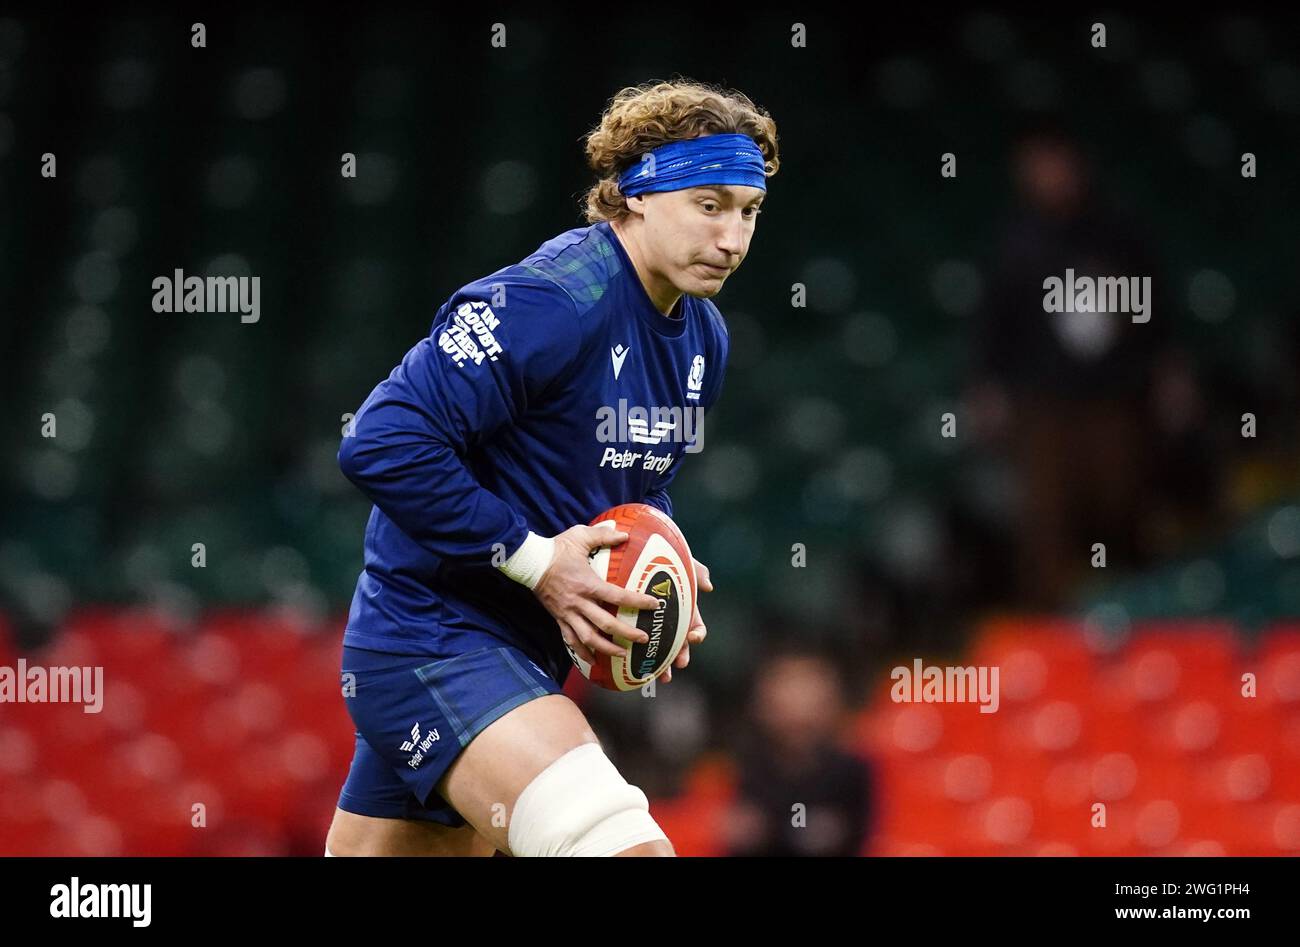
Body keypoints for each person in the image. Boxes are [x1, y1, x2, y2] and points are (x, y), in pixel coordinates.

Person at [324, 79, 780, 856]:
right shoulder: (552, 299)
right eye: (710, 204)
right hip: (433, 639)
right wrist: (540, 564)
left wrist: (659, 556)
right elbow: (381, 440)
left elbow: (627, 481)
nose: (733, 238)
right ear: (637, 191)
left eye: (749, 211)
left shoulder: (704, 334)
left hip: (522, 657)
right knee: (623, 847)